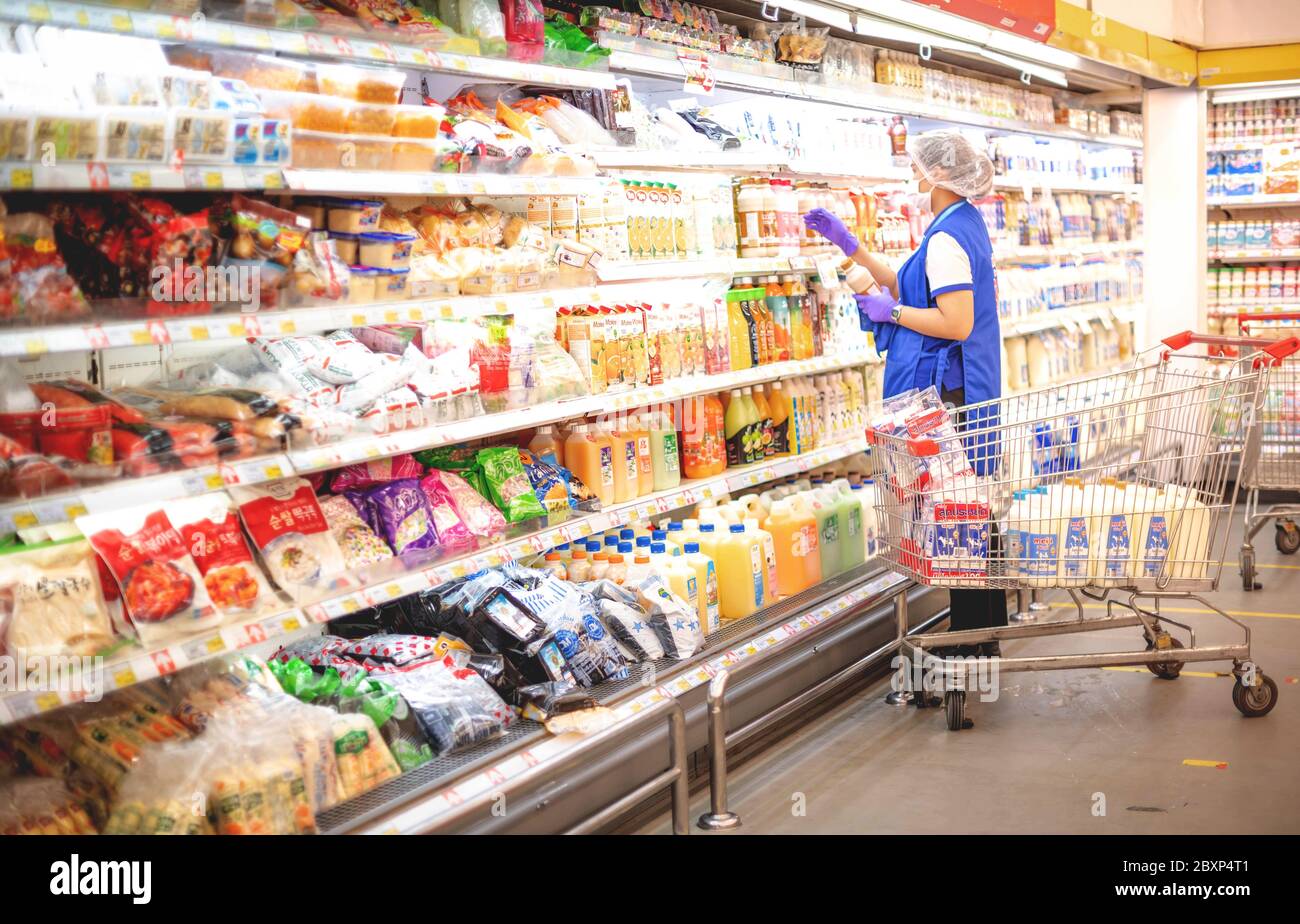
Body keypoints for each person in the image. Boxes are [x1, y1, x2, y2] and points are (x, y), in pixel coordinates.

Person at [805, 129, 1006, 662]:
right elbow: (907, 284)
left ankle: (971, 646)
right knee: (969, 514)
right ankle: (981, 638)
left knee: (961, 517)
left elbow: (956, 322)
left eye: (917, 164)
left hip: (953, 396)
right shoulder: (954, 224)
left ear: (938, 174)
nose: (912, 171)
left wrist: (888, 314)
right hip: (964, 389)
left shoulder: (946, 237)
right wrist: (851, 248)